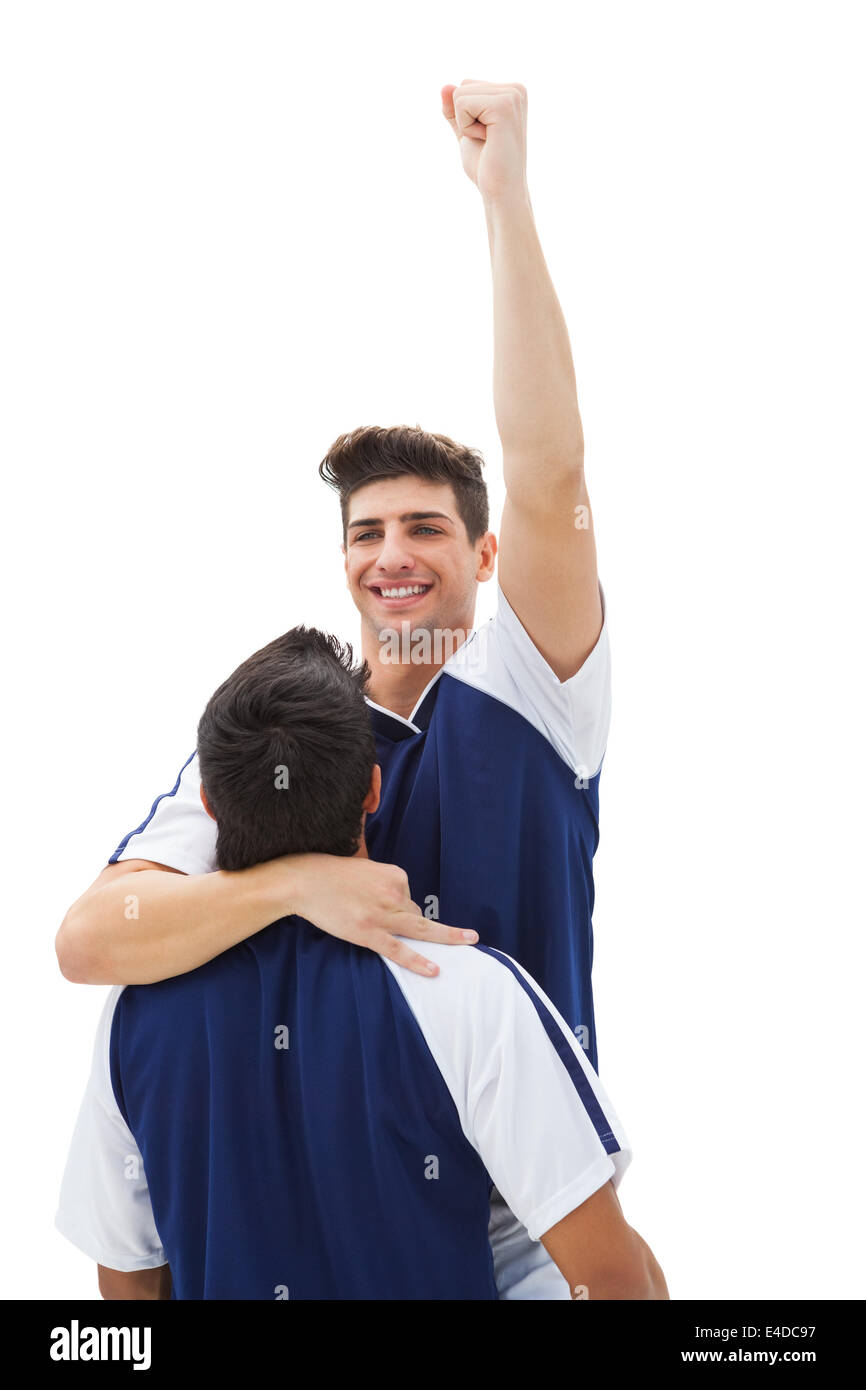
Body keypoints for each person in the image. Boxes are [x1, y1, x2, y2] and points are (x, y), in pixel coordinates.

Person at [56, 81, 617, 1297]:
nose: (390, 554)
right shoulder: (294, 731)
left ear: (484, 556)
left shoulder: (525, 684)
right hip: (349, 1190)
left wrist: (503, 196)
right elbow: (93, 935)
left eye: (424, 526)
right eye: (365, 533)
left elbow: (549, 459)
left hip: (523, 1213)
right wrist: (308, 880)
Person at [55, 627, 667, 1301]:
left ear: (207, 805)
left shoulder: (132, 1020)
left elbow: (129, 1287)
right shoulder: (472, 993)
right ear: (374, 789)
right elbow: (614, 1282)